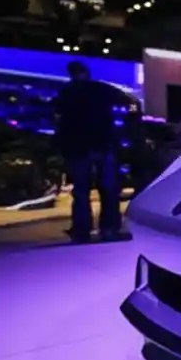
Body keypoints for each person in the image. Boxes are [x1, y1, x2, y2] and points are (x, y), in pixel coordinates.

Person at [53, 61, 125, 243]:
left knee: (81, 190)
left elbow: (59, 120)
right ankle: (109, 229)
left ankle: (81, 231)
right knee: (108, 189)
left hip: (78, 147)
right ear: (87, 72)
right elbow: (128, 101)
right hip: (103, 142)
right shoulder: (101, 88)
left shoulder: (66, 92)